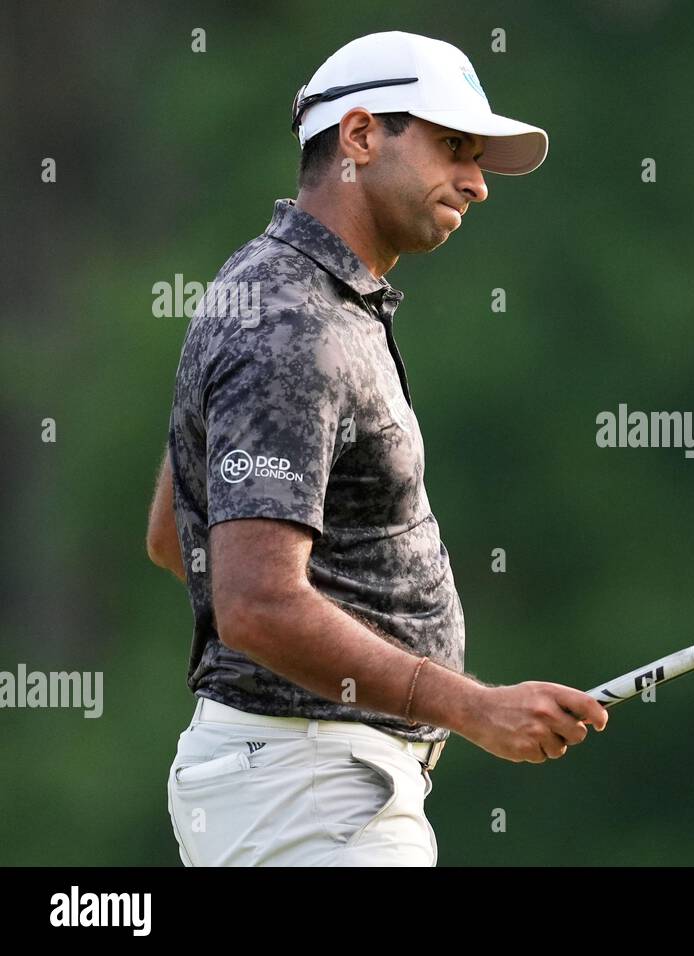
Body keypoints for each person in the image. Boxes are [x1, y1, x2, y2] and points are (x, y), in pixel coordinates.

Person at [144, 31, 608, 867]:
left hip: (303, 781)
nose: (476, 182)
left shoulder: (287, 292)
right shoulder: (294, 321)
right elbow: (250, 601)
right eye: (453, 148)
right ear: (360, 139)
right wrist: (466, 705)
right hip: (310, 786)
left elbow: (177, 536)